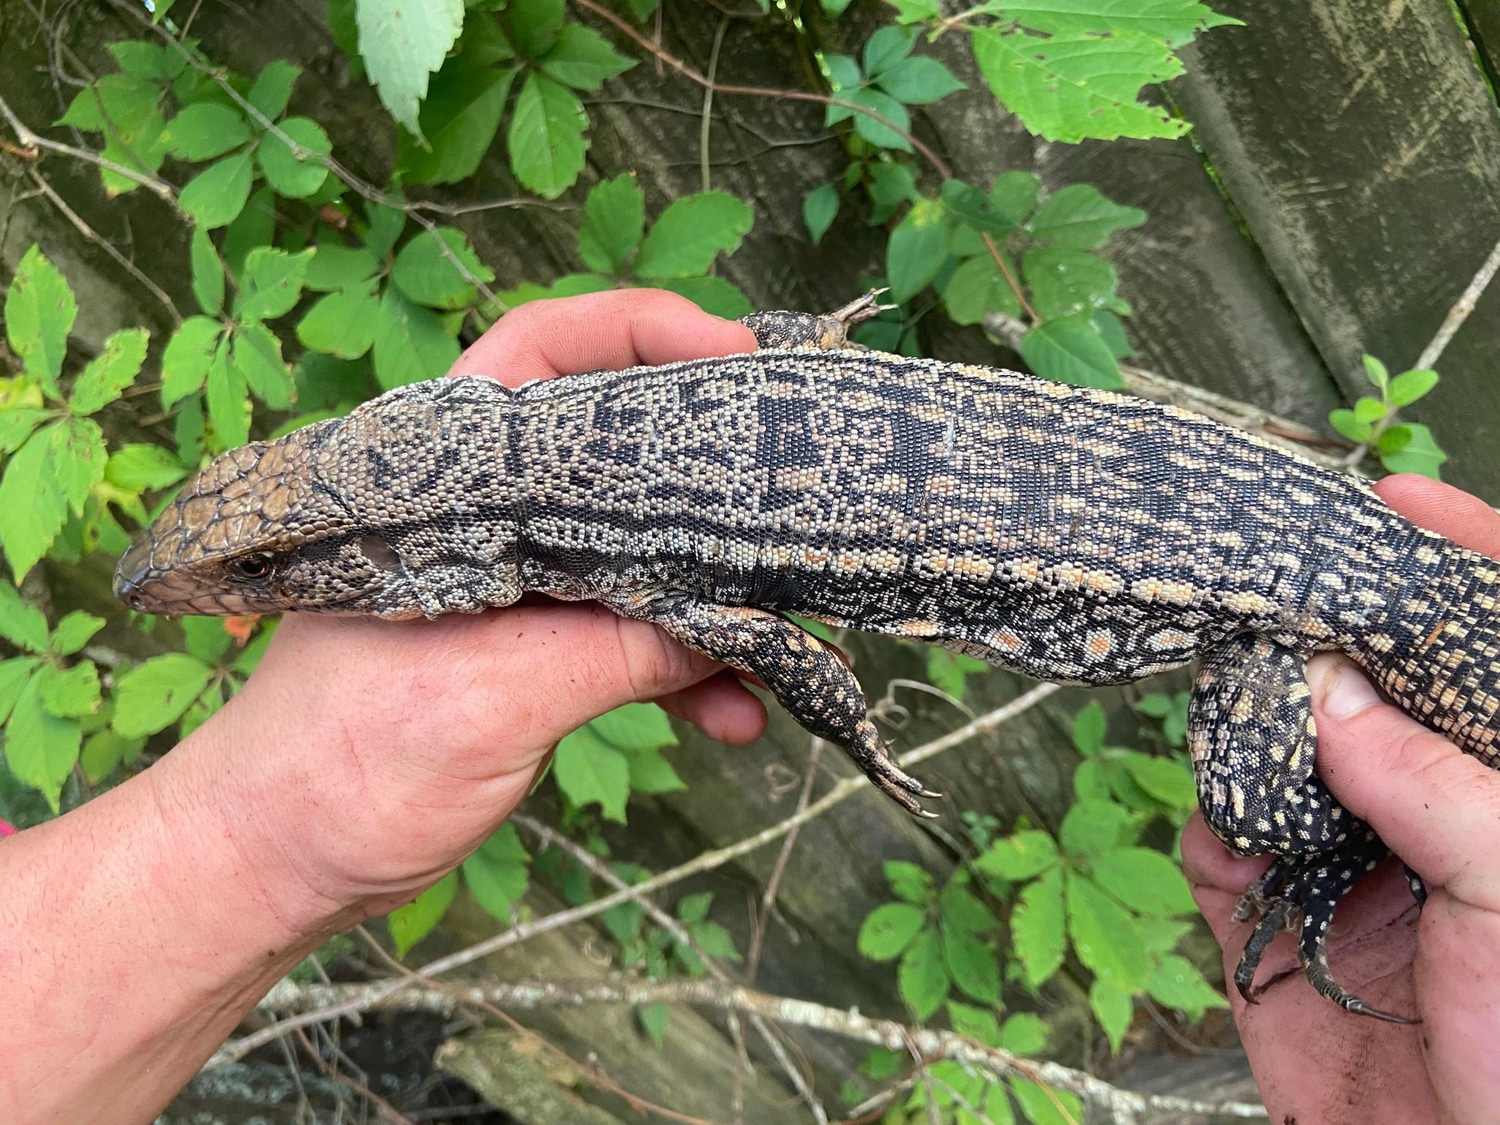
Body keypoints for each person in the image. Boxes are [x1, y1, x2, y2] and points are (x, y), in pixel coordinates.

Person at [0, 291, 1495, 1124]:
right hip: (1304, 521)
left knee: (1261, 812)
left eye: (264, 560)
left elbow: (804, 660)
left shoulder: (626, 552)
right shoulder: (599, 419)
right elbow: (779, 355)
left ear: (403, 545)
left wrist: (852, 736)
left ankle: (1327, 863)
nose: (193, 582)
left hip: (1298, 607)